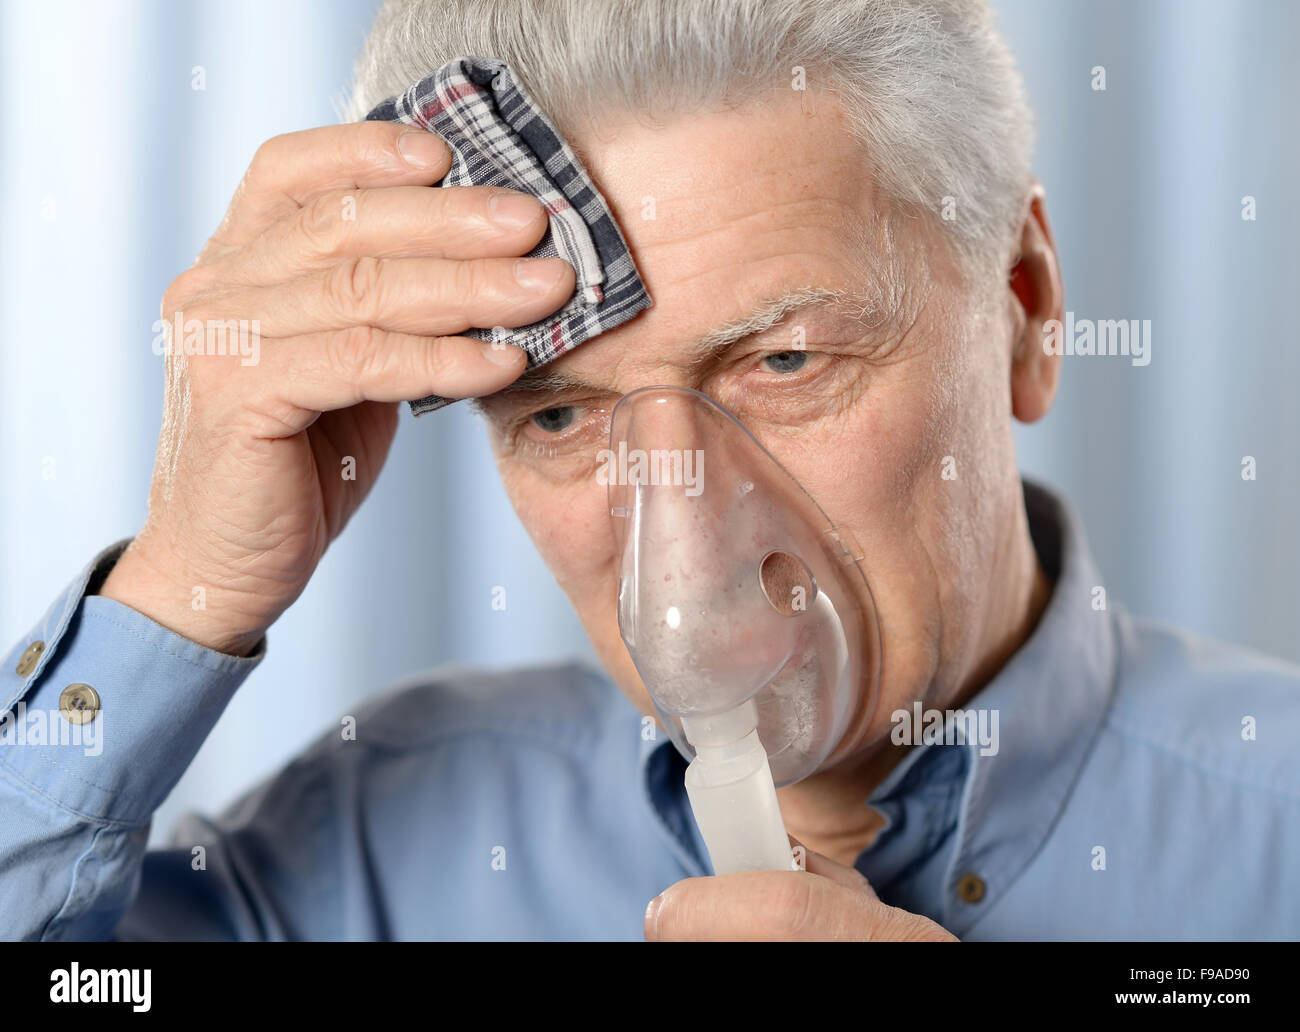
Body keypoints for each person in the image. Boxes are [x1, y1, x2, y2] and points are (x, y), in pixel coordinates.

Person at [2, 0, 1295, 941]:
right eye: (560, 416)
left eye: (784, 362)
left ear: (1025, 307)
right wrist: (181, 587)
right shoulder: (363, 855)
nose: (689, 537)